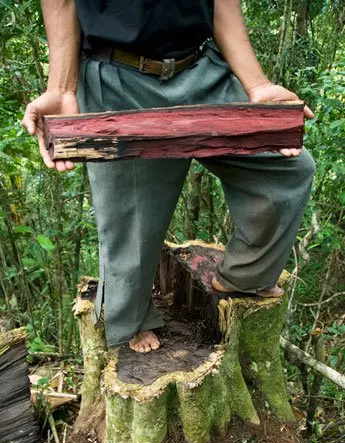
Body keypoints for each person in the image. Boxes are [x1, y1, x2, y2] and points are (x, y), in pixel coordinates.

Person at [22, 0, 315, 354]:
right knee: (130, 222)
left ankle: (244, 276)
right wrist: (62, 89)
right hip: (118, 77)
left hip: (203, 69)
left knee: (286, 170)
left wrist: (257, 85)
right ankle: (130, 318)